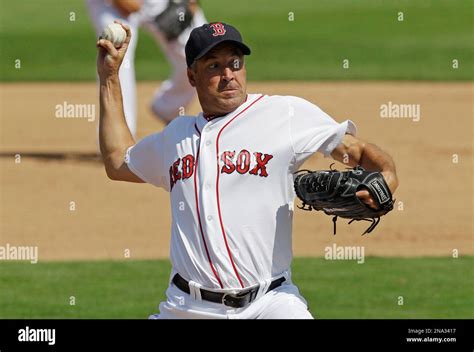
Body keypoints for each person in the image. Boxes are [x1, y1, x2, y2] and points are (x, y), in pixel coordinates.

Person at [96, 22, 399, 319]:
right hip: (188, 308)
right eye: (214, 66)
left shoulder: (284, 114)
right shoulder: (176, 136)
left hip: (271, 303)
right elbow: (118, 160)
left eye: (235, 63)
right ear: (191, 76)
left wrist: (387, 175)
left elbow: (355, 151)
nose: (228, 75)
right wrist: (109, 76)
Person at [87, 0, 207, 136]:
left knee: (200, 50)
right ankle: (117, 139)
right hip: (107, 4)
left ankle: (168, 106)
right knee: (117, 57)